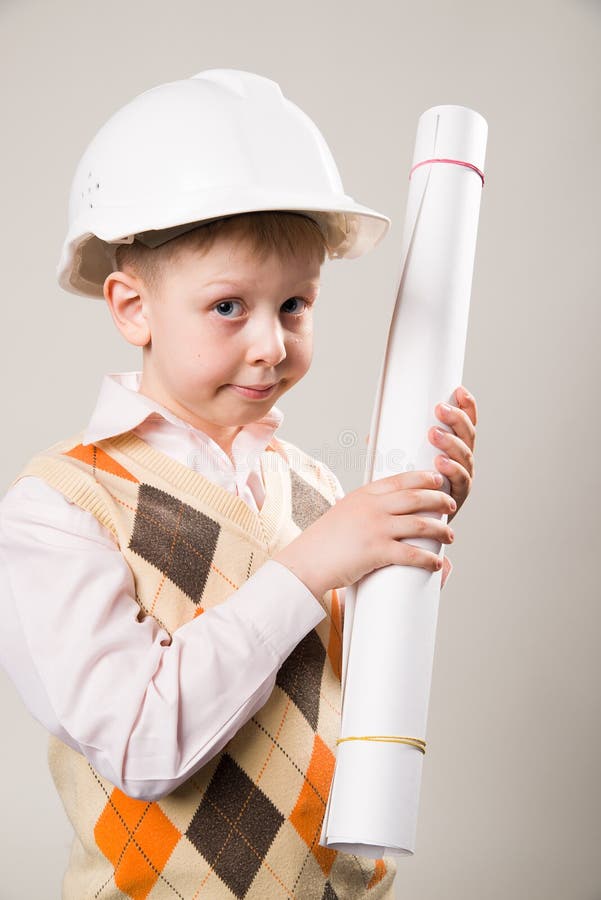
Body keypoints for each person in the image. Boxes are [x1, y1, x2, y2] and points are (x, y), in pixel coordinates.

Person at [0, 69, 477, 899]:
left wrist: (411, 532)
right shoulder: (63, 507)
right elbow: (142, 744)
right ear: (132, 307)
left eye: (294, 304)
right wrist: (312, 565)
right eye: (228, 307)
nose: (269, 344)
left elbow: (356, 692)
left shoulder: (317, 491)